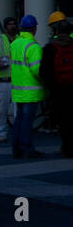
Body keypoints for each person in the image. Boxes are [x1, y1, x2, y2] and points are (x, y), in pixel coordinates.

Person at [11, 14, 46, 159]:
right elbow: (37, 70)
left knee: (19, 120)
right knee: (27, 121)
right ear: (34, 29)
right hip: (30, 91)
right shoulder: (33, 46)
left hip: (18, 91)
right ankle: (27, 148)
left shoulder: (15, 44)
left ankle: (17, 148)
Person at [40, 12, 73, 158]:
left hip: (59, 90)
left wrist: (51, 87)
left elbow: (44, 72)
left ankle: (67, 147)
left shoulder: (50, 48)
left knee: (63, 120)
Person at [0, 16, 19, 143]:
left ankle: (18, 132)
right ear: (5, 26)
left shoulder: (20, 39)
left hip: (18, 80)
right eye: (10, 24)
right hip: (2, 80)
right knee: (1, 110)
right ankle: (1, 132)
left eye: (14, 24)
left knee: (18, 110)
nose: (12, 26)